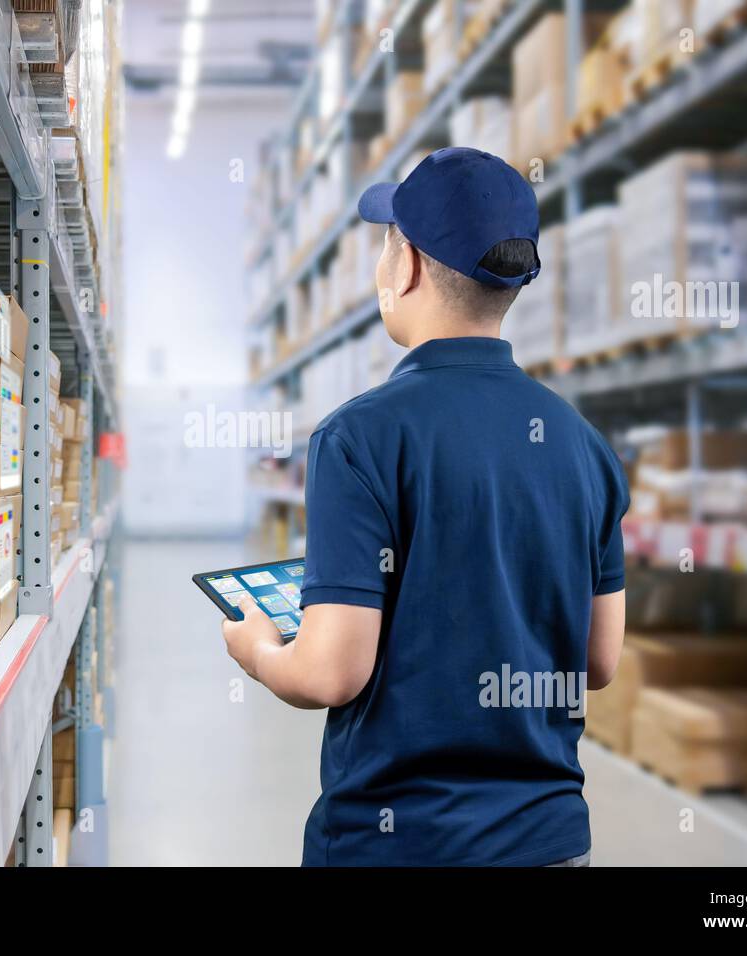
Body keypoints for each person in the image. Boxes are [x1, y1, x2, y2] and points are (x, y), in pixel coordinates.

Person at [221, 147, 628, 867]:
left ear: (405, 264)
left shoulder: (358, 437)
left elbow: (328, 673)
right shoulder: (583, 444)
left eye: (385, 246)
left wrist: (256, 648)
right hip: (551, 840)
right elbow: (598, 659)